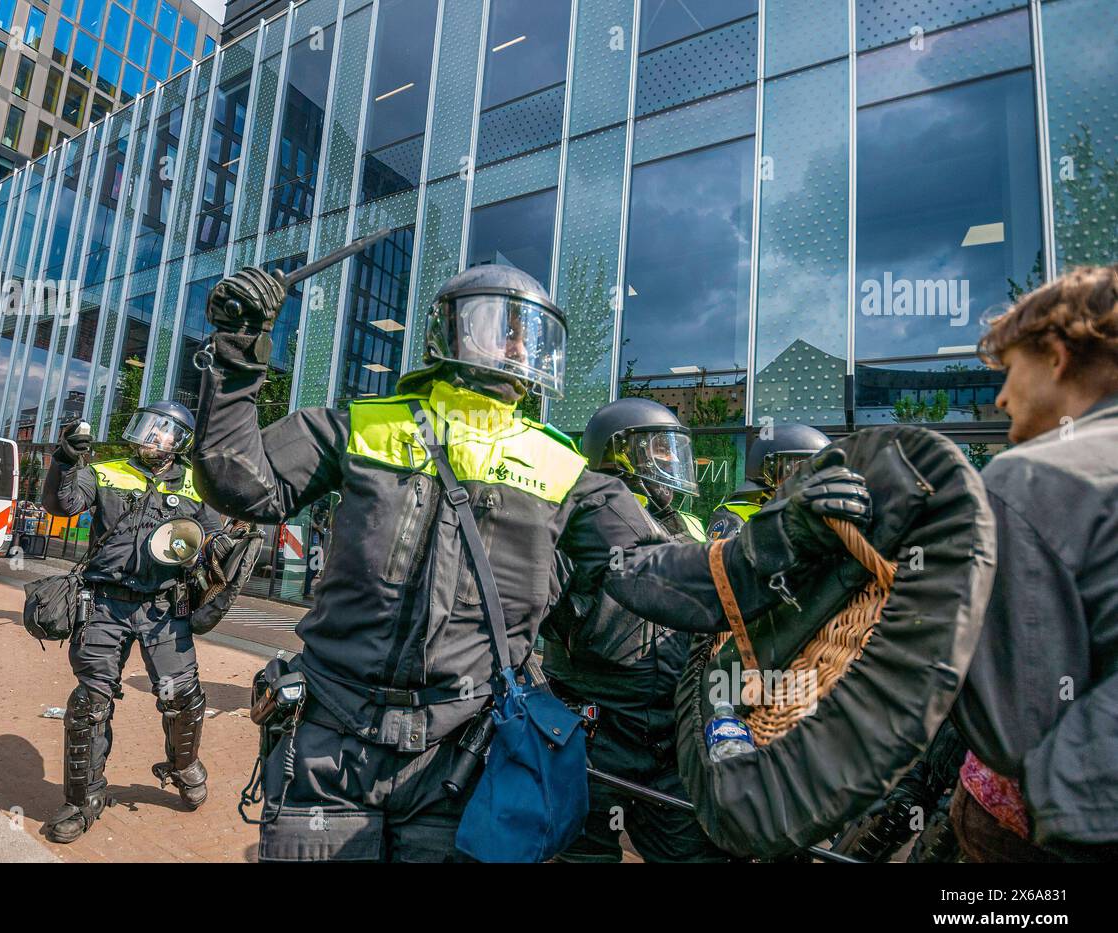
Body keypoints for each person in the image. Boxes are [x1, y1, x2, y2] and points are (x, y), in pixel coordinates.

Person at [192, 261, 872, 862]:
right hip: (330, 737)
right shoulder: (360, 423)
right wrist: (236, 355)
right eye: (503, 323)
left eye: (533, 331)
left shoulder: (569, 470)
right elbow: (239, 481)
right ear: (447, 332)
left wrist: (792, 535)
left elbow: (667, 571)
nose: (521, 342)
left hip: (458, 754)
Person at [948, 264, 1118, 862]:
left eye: (1010, 370)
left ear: (1054, 356)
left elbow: (1010, 727)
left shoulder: (1029, 476)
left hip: (1058, 830)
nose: (1000, 396)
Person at [541, 397, 730, 862]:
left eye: (674, 451)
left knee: (695, 853)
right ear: (619, 452)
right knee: (583, 854)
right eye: (660, 451)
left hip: (669, 732)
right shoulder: (575, 516)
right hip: (594, 731)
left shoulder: (686, 522)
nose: (672, 463)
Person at [40, 401, 231, 844]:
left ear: (179, 442)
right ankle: (82, 800)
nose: (154, 436)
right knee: (90, 702)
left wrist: (231, 548)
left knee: (183, 698)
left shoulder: (195, 485)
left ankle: (184, 766)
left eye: (165, 431)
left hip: (165, 607)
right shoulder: (105, 471)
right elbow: (60, 503)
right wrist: (66, 459)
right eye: (149, 426)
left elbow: (213, 540)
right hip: (104, 603)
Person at [707, 423, 830, 540]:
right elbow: (725, 558)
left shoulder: (822, 515)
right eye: (796, 470)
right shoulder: (735, 516)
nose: (807, 480)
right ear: (768, 470)